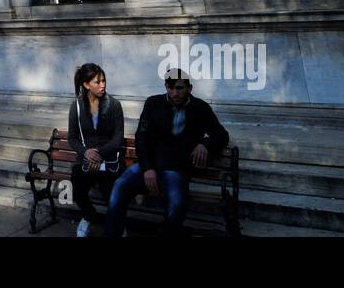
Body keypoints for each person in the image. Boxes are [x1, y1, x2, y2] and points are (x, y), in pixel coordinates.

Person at [103, 69, 230, 237]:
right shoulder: (153, 103)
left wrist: (205, 144)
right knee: (120, 185)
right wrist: (147, 168)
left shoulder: (200, 108)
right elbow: (141, 137)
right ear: (165, 87)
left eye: (179, 88)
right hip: (148, 167)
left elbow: (222, 135)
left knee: (178, 203)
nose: (174, 93)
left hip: (175, 171)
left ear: (189, 88)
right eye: (170, 88)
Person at [67, 62, 125, 237]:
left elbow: (118, 139)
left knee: (111, 193)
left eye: (104, 81)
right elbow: (72, 138)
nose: (103, 85)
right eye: (97, 82)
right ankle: (89, 216)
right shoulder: (76, 107)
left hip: (109, 158)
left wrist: (98, 155)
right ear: (86, 85)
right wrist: (86, 153)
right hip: (85, 159)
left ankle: (118, 224)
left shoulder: (114, 105)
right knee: (77, 191)